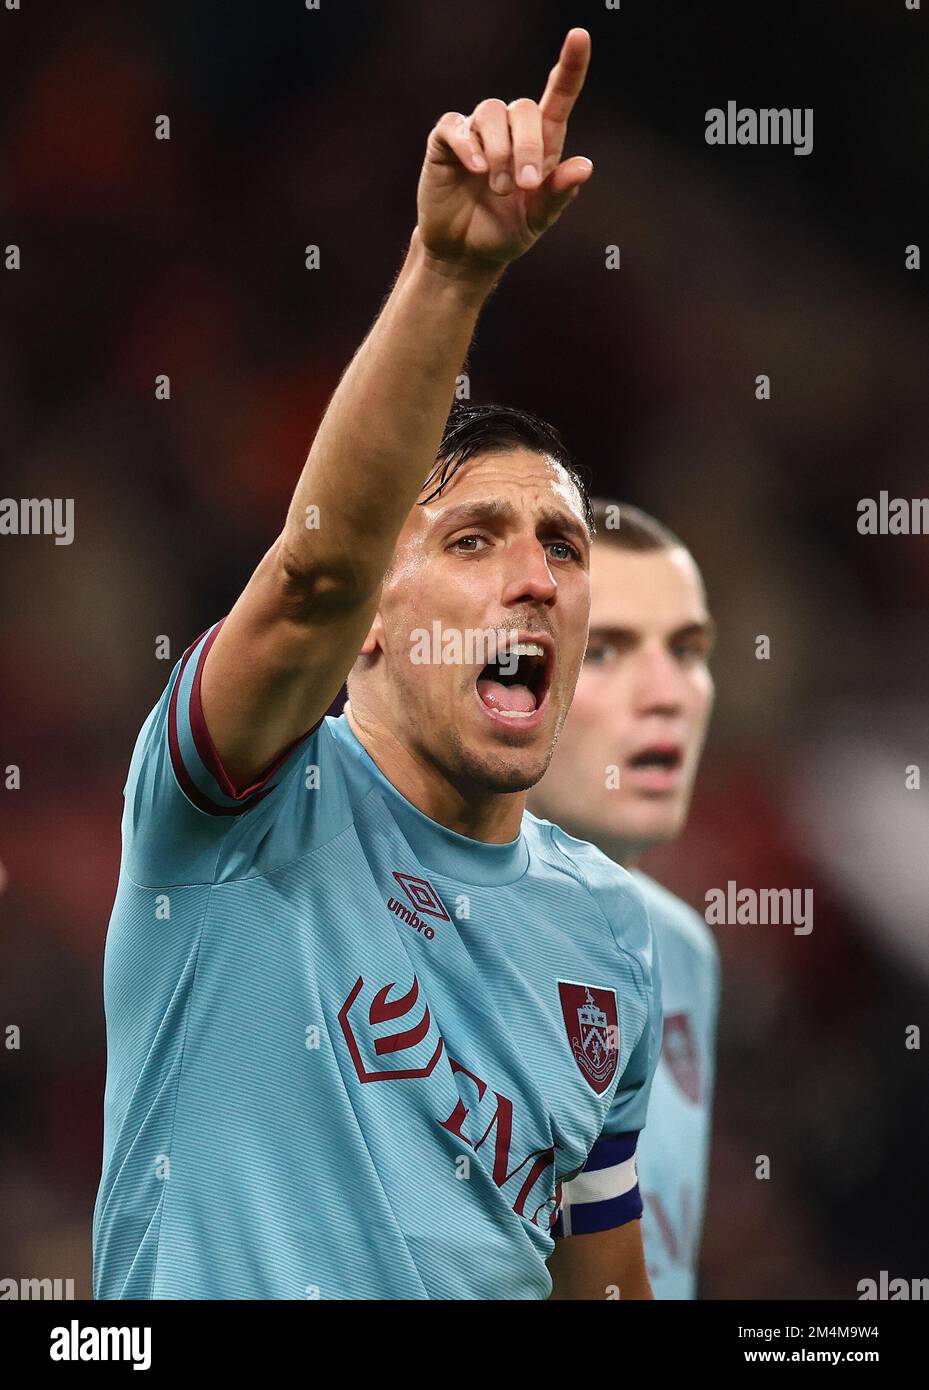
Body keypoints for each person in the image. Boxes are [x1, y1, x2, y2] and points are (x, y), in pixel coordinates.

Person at [92, 30, 663, 1301]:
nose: (533, 577)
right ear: (372, 619)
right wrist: (448, 270)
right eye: (472, 537)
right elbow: (308, 579)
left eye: (561, 549)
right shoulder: (226, 805)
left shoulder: (612, 939)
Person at [530, 499, 719, 1298]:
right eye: (604, 650)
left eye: (688, 650)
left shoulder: (682, 951)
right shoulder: (391, 936)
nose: (666, 694)